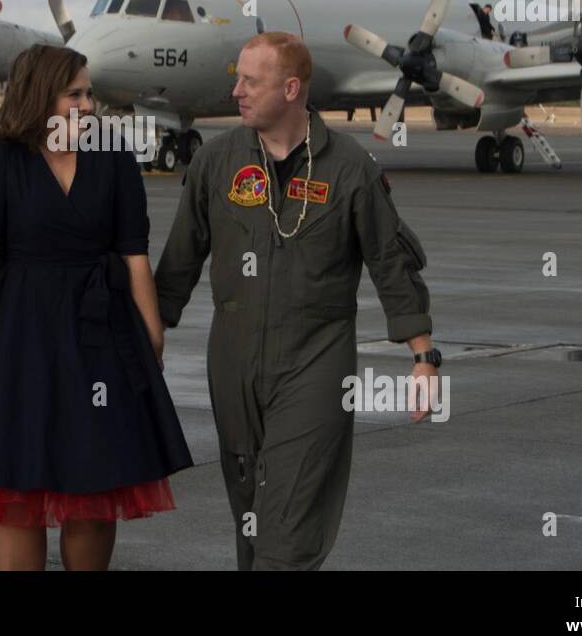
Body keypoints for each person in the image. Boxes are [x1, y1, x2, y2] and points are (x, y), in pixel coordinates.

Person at [154, 31, 438, 570]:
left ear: (290, 88)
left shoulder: (350, 167)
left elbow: (390, 262)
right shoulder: (216, 163)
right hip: (232, 359)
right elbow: (177, 268)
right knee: (252, 517)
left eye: (249, 81)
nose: (235, 90)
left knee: (289, 525)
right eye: (236, 78)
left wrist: (423, 357)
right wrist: (148, 340)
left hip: (316, 359)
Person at [0, 44, 193, 570]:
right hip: (18, 336)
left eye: (89, 94)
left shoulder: (113, 155)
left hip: (101, 332)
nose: (87, 105)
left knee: (94, 479)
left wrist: (152, 335)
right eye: (73, 94)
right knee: (18, 488)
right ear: (40, 95)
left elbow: (134, 254)